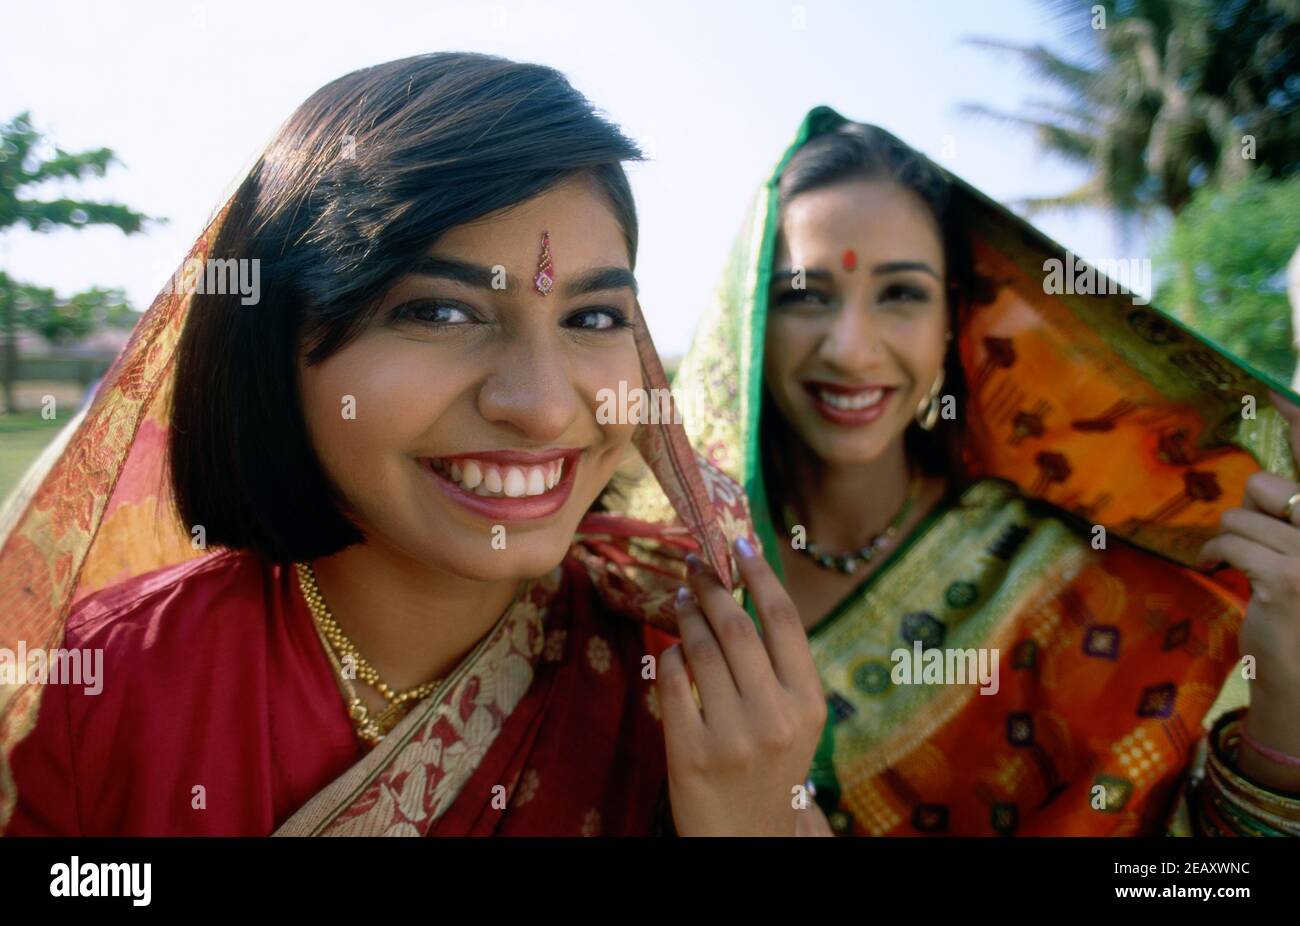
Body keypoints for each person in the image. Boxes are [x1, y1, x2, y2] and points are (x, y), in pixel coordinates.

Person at [0, 54, 827, 837]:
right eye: (439, 312)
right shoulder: (94, 691)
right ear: (273, 344)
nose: (540, 408)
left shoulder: (693, 689)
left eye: (593, 318)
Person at [620, 107, 1300, 835]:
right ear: (750, 318)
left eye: (901, 293)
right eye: (805, 295)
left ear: (953, 321)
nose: (851, 349)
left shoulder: (1082, 591)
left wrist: (1289, 686)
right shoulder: (645, 582)